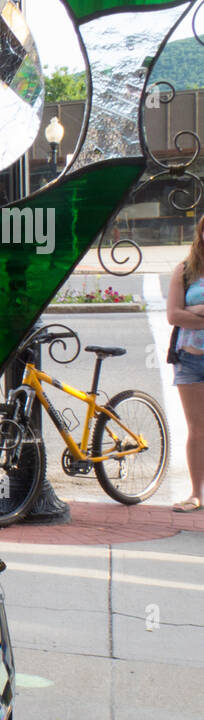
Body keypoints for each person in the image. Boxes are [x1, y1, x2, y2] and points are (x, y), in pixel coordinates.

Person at [167, 213, 204, 512]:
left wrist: (196, 311)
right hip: (189, 360)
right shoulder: (185, 270)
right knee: (197, 428)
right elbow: (173, 315)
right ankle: (195, 493)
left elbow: (184, 313)